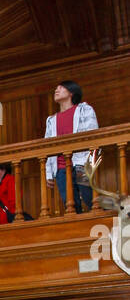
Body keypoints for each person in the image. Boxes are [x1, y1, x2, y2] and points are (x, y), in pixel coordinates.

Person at [45, 80, 98, 211]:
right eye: (56, 88)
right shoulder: (51, 120)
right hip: (61, 168)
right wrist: (49, 173)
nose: (56, 90)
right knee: (71, 205)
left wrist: (91, 162)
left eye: (61, 88)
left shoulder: (84, 110)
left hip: (81, 163)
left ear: (71, 92)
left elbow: (93, 135)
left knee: (90, 198)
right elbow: (47, 147)